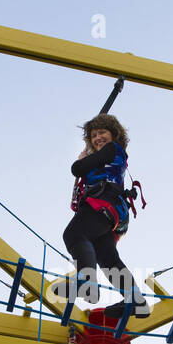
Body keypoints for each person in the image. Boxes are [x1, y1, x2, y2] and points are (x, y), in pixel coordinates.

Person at [51, 113, 150, 318]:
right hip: (114, 213)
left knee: (74, 235)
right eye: (94, 135)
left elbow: (77, 169)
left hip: (102, 203)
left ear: (114, 135)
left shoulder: (113, 150)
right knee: (107, 258)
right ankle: (136, 300)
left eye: (102, 132)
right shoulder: (109, 155)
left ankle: (87, 282)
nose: (98, 137)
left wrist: (81, 160)